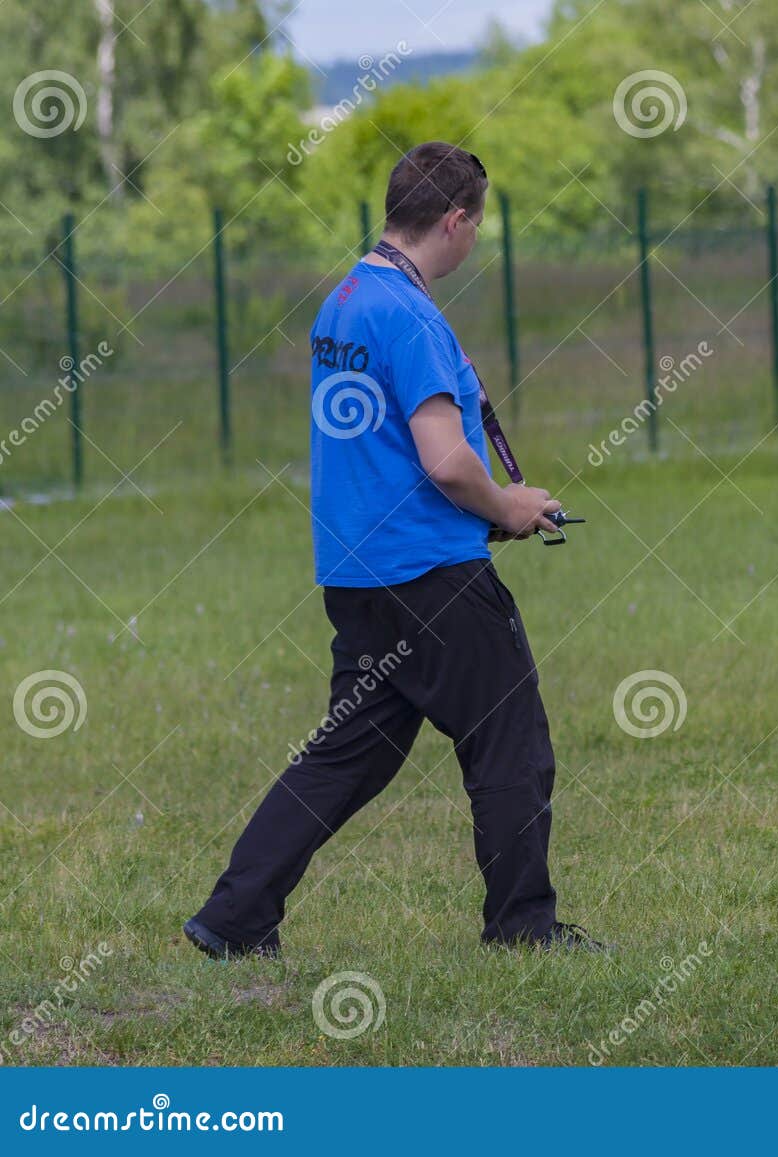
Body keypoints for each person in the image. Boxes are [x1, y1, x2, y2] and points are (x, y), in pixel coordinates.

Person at [185, 142, 600, 957]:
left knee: (349, 756)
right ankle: (524, 929)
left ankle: (235, 918)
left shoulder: (344, 299)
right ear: (452, 221)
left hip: (358, 573)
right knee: (512, 742)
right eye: (476, 225)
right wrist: (508, 504)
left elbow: (377, 447)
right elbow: (446, 458)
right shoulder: (412, 317)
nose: (475, 239)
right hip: (432, 576)